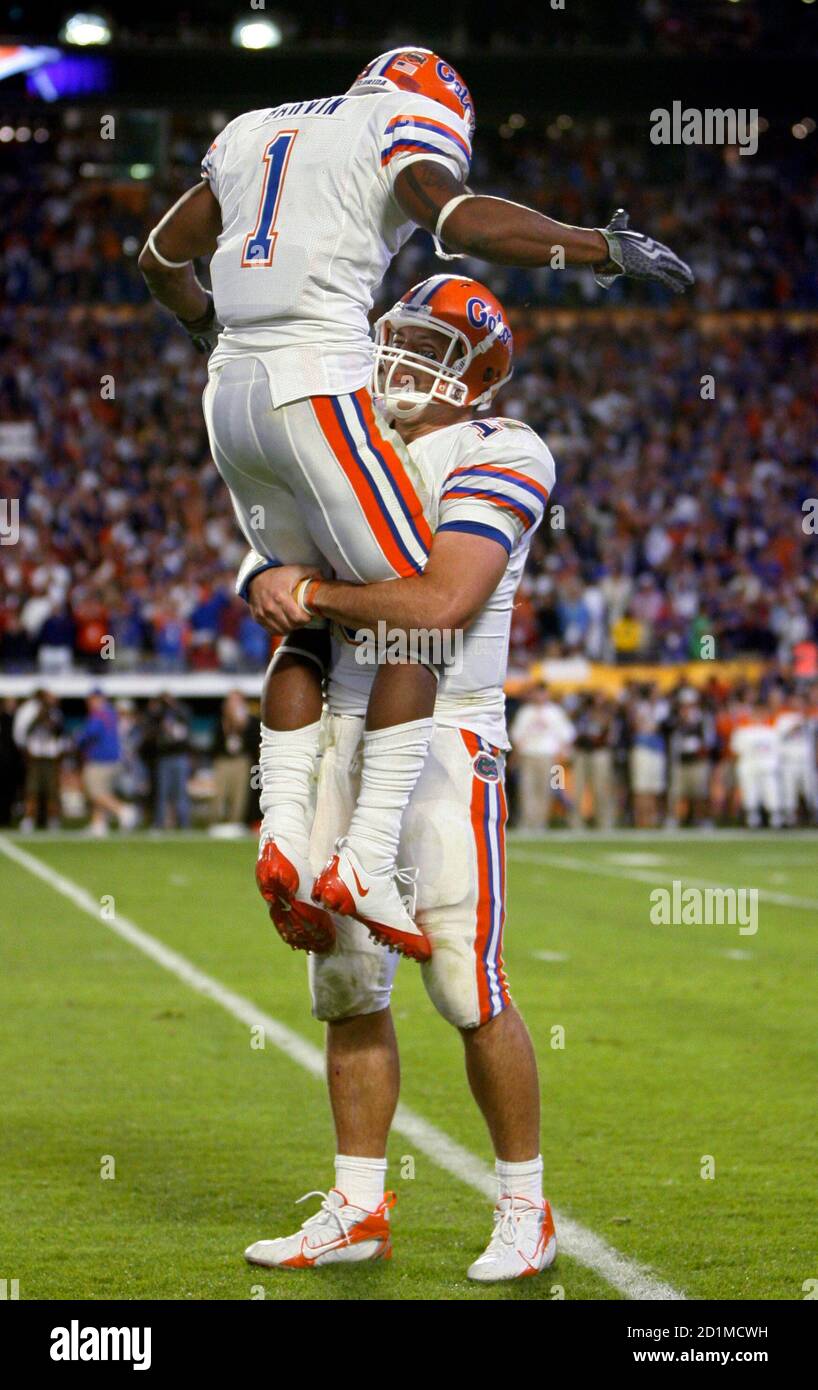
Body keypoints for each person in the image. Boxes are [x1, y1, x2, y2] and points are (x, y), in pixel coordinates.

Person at [138, 44, 692, 959]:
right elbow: (463, 220)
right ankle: (361, 863)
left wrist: (207, 327)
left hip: (225, 393)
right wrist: (602, 247)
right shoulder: (393, 123)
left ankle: (279, 832)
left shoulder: (247, 132)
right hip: (314, 381)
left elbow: (158, 262)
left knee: (303, 619)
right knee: (419, 615)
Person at [238, 279, 558, 1281]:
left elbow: (441, 600)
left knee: (467, 983)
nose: (409, 359)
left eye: (434, 343)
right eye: (402, 336)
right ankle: (358, 1204)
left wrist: (310, 592)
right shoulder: (354, 450)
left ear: (481, 368)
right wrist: (259, 578)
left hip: (444, 738)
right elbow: (268, 563)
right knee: (343, 987)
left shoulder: (502, 447)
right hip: (340, 722)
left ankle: (523, 1206)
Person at [509, 685, 575, 830]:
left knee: (544, 790)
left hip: (547, 755)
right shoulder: (525, 712)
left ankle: (540, 822)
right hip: (528, 754)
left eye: (542, 694)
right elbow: (517, 734)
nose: (539, 697)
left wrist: (563, 751)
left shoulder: (555, 712)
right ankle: (527, 821)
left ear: (547, 695)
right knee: (526, 789)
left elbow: (567, 733)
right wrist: (517, 752)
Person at [75, 692, 136, 835]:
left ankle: (123, 810)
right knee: (103, 791)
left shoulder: (99, 714)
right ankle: (98, 824)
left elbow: (89, 734)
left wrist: (77, 739)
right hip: (114, 759)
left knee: (95, 792)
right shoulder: (112, 714)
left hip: (100, 760)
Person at [211, 690, 256, 826]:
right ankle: (216, 821)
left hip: (241, 760)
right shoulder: (221, 719)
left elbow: (252, 740)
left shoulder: (250, 719)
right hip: (223, 760)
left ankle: (235, 822)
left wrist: (243, 723)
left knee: (239, 793)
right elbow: (216, 740)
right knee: (219, 793)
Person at [152, 693, 193, 830]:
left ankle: (184, 824)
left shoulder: (181, 714)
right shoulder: (159, 716)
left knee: (180, 793)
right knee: (162, 793)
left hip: (179, 757)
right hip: (164, 757)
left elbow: (183, 735)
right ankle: (159, 823)